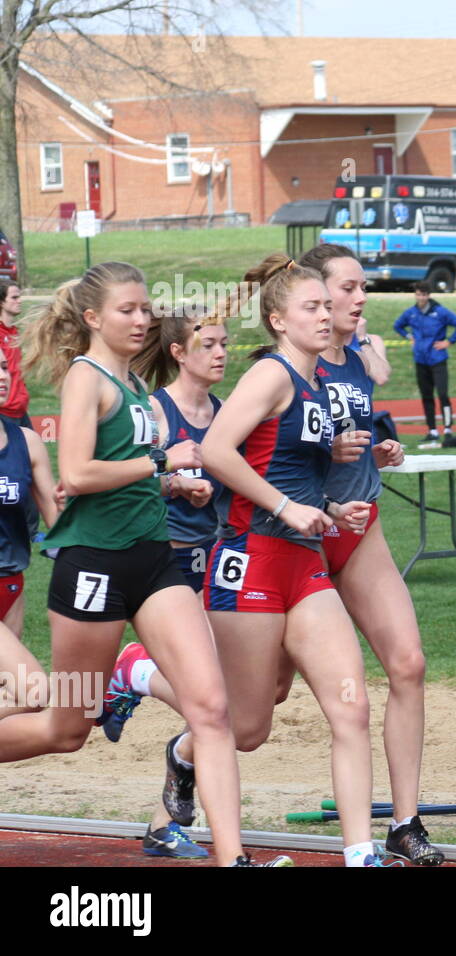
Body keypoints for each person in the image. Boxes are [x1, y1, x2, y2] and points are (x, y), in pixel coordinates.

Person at [0, 261, 284, 866]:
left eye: (145, 308)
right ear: (94, 318)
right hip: (93, 570)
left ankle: (232, 859)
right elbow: (76, 474)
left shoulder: (134, 387)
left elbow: (129, 479)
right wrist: (162, 464)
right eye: (127, 310)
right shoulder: (87, 378)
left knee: (211, 708)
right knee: (65, 728)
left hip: (155, 563)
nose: (141, 318)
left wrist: (173, 487)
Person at [200, 253, 385, 867]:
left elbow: (291, 470)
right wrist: (285, 506)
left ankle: (361, 852)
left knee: (351, 704)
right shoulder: (271, 375)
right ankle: (154, 701)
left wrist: (332, 505)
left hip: (304, 564)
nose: (328, 316)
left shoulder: (321, 387)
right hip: (249, 559)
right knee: (248, 728)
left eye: (329, 307)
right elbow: (215, 451)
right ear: (278, 319)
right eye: (314, 307)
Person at [298, 242, 444, 865]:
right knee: (253, 712)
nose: (362, 299)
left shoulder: (357, 359)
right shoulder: (287, 365)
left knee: (407, 663)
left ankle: (404, 822)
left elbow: (358, 431)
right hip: (297, 541)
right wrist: (326, 461)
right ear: (315, 293)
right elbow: (267, 457)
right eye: (351, 288)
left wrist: (380, 450)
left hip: (362, 530)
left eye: (364, 289)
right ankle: (184, 760)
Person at [0, 351, 59, 719]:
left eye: (4, 367)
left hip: (11, 586)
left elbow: (59, 520)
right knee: (33, 691)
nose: (2, 375)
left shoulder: (26, 442)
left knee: (12, 697)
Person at [394, 280, 456, 448]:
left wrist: (449, 342)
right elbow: (398, 326)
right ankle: (432, 430)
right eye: (418, 294)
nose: (421, 298)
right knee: (426, 396)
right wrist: (408, 337)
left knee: (442, 394)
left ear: (429, 295)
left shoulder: (440, 312)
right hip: (420, 360)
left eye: (424, 294)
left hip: (438, 359)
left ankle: (448, 429)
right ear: (415, 295)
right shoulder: (411, 313)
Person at [0, 280, 30, 429]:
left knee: (34, 450)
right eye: (14, 297)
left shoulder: (13, 332)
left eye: (19, 297)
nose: (19, 301)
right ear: (1, 302)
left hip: (20, 410)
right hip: (4, 411)